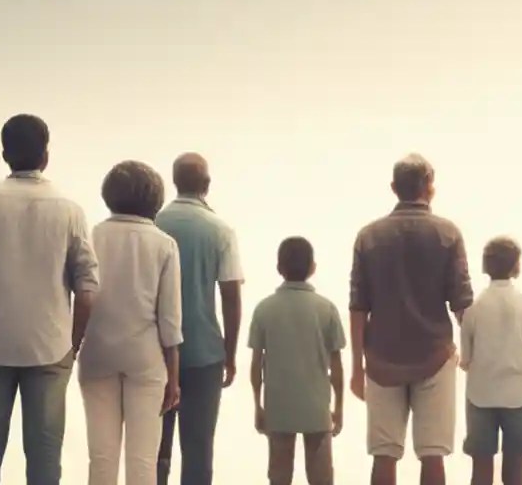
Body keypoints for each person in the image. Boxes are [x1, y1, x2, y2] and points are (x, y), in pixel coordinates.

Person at [0, 114, 100, 485]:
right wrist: (73, 342)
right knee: (45, 455)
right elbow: (88, 287)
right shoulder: (69, 208)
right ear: (46, 154)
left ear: (4, 154)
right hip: (49, 344)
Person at [350, 153, 474, 485]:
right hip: (434, 356)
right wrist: (475, 352)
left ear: (394, 188)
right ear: (430, 187)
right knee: (432, 454)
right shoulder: (447, 233)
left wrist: (356, 367)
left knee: (384, 453)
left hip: (381, 360)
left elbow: (358, 306)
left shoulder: (368, 236)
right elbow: (462, 302)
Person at [78, 161, 184, 485]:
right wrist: (174, 377)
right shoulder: (164, 244)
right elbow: (170, 320)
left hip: (96, 354)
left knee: (101, 457)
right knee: (143, 461)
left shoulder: (91, 236)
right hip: (145, 358)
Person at [154, 152, 244, 485]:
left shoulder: (154, 223)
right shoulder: (220, 230)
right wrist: (230, 355)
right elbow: (231, 296)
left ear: (174, 182)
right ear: (206, 184)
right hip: (205, 354)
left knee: (156, 448)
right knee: (198, 449)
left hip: (157, 352)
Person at [248, 237, 346, 485]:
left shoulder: (264, 309)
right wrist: (339, 407)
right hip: (316, 406)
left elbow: (256, 364)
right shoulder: (327, 309)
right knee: (321, 476)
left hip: (278, 406)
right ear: (313, 268)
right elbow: (336, 366)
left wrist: (257, 405)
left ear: (279, 268)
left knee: (279, 474)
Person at [459, 237, 522, 485]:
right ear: (516, 266)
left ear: (486, 266)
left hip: (481, 396)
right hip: (521, 395)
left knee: (481, 469)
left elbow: (466, 361)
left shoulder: (473, 310)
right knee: (515, 471)